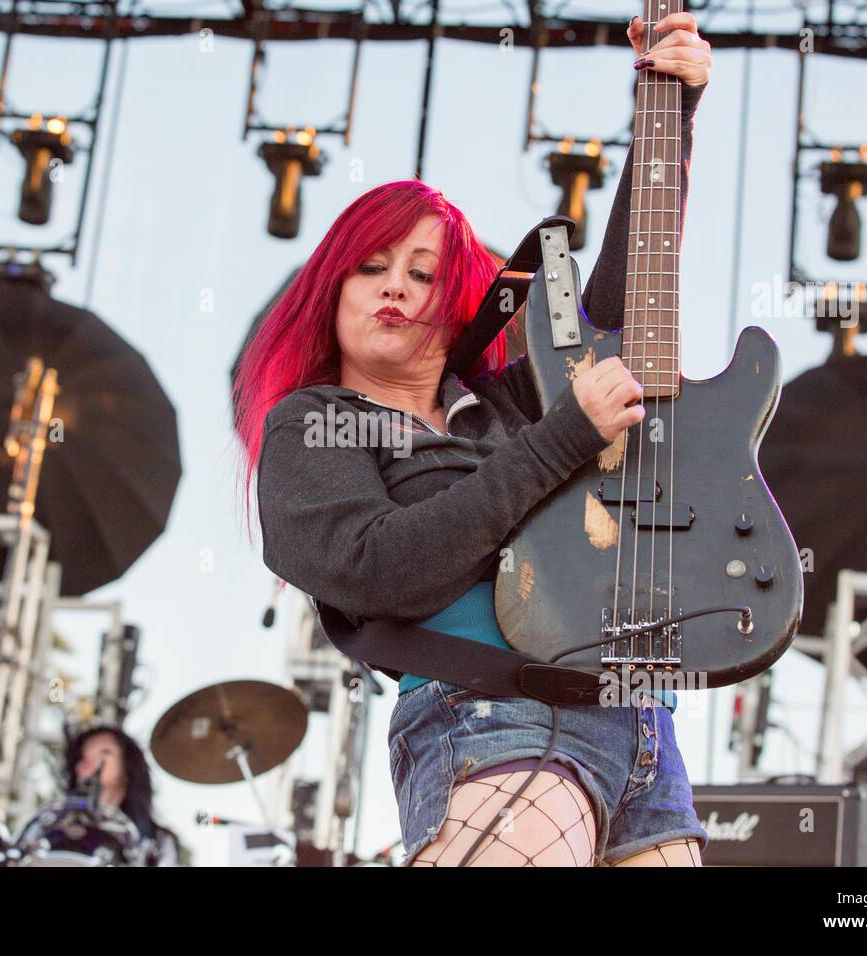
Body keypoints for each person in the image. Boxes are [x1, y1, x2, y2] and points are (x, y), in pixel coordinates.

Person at [236, 14, 713, 867]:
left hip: (642, 734)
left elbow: (617, 313)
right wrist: (560, 439)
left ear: (458, 302)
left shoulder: (508, 403)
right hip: (492, 717)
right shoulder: (310, 423)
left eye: (423, 274)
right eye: (371, 266)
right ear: (331, 286)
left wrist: (667, 119)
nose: (394, 289)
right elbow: (381, 568)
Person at [65, 723, 181, 866]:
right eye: (84, 755)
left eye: (105, 752)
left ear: (127, 766)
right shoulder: (56, 826)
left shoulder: (157, 841)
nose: (90, 760)